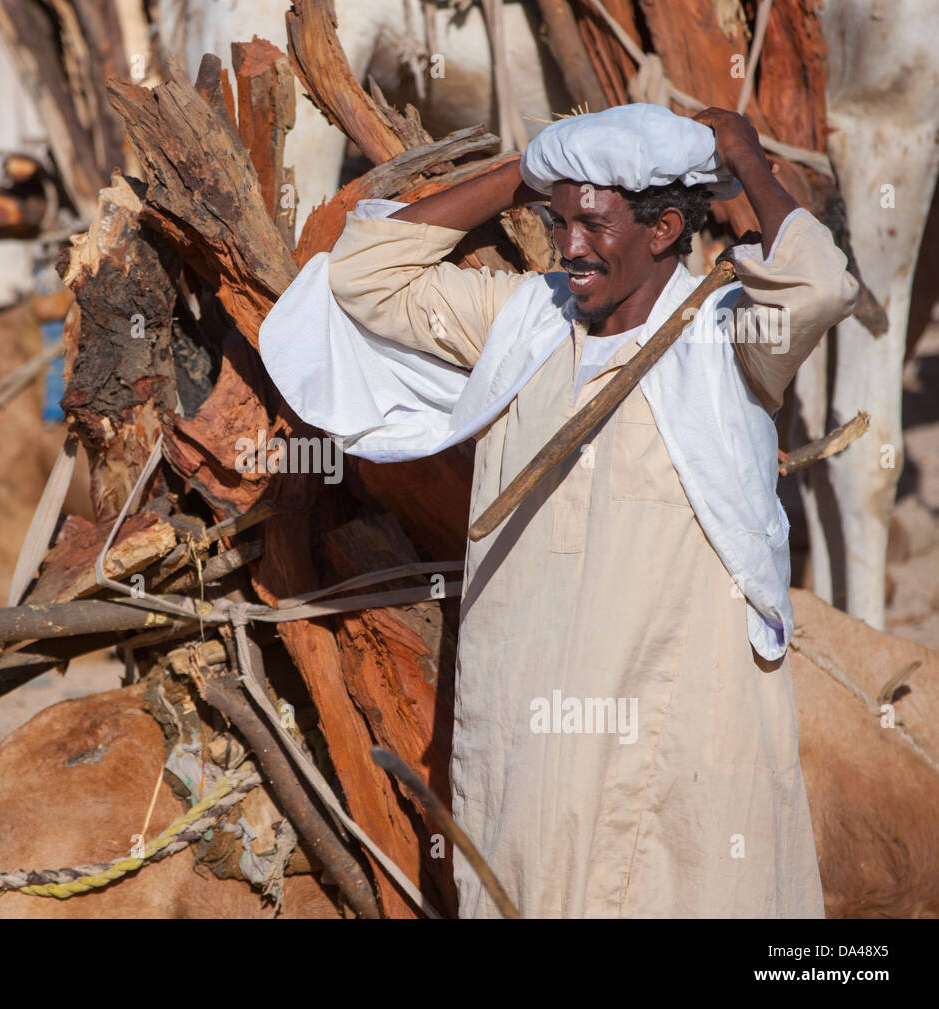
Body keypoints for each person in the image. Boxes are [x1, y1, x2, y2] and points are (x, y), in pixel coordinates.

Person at [258, 103, 859, 917]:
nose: (570, 245)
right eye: (559, 220)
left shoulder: (731, 337)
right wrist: (528, 167)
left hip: (674, 720)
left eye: (594, 224)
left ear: (664, 227)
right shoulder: (523, 321)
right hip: (530, 722)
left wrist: (748, 156)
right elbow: (364, 273)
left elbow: (821, 284)